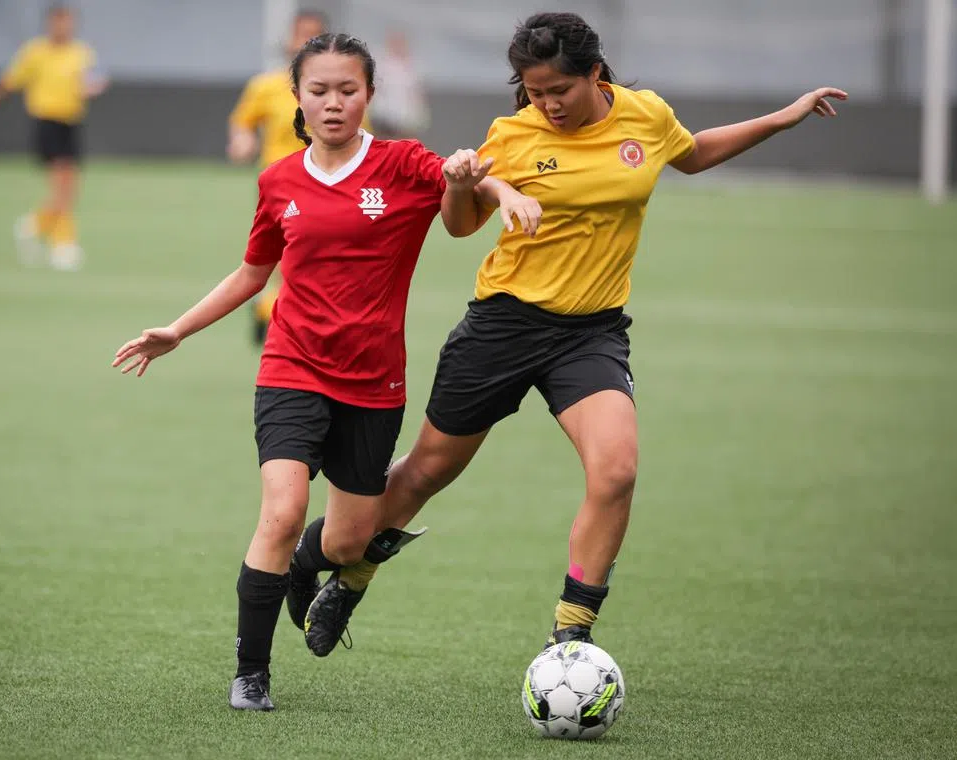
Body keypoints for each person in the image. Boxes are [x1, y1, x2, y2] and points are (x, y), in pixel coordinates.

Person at [296, 11, 848, 657]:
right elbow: (459, 225)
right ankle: (346, 569)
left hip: (591, 333)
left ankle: (573, 632)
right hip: (503, 325)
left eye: (560, 90)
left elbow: (693, 154)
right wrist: (462, 185)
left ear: (594, 73)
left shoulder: (644, 115)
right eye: (536, 92)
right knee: (423, 475)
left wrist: (784, 116)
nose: (549, 104)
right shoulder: (514, 135)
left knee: (616, 472)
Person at [112, 33, 539, 711]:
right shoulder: (277, 181)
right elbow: (255, 271)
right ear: (298, 99)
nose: (334, 102)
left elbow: (465, 191)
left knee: (348, 542)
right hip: (292, 367)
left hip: (374, 383)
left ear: (369, 95)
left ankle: (302, 572)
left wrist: (498, 189)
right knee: (281, 513)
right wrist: (178, 330)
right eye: (319, 90)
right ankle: (251, 673)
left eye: (348, 90)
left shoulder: (401, 163)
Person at [0, 3, 107, 271]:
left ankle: (34, 226)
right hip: (47, 123)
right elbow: (7, 83)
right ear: (50, 23)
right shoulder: (35, 52)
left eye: (68, 22)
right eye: (59, 21)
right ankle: (62, 244)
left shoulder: (81, 52)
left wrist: (91, 87)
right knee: (61, 184)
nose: (64, 26)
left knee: (69, 188)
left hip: (71, 123)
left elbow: (87, 80)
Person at [227, 10, 328, 346]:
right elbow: (242, 121)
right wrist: (242, 140)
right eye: (302, 35)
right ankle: (281, 320)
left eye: (314, 36)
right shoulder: (267, 86)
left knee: (303, 262)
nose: (306, 43)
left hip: (325, 186)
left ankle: (266, 310)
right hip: (280, 188)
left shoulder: (334, 91)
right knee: (292, 260)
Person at [370, 30, 430, 139]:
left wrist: (418, 118)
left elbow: (415, 95)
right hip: (384, 116)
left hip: (405, 118)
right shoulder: (381, 64)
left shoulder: (412, 67)